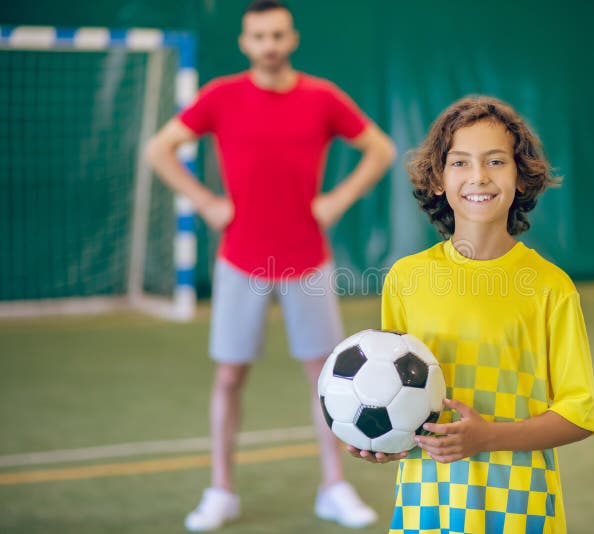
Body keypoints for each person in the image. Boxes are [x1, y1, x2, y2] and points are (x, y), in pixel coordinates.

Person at [145, 0, 396, 531]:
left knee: (326, 379)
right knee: (230, 376)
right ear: (245, 42)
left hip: (307, 259)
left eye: (278, 35)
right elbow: (160, 149)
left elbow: (380, 149)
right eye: (259, 36)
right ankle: (221, 491)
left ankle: (334, 486)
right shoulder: (221, 96)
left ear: (293, 38)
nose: (269, 45)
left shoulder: (322, 97)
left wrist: (337, 199)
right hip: (241, 261)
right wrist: (206, 202)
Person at [349, 96, 594, 534]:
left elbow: (577, 414)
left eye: (496, 161)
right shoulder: (407, 279)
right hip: (429, 507)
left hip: (520, 508)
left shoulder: (550, 286)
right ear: (439, 180)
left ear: (521, 177)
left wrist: (489, 438)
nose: (479, 176)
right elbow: (400, 395)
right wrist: (384, 438)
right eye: (460, 163)